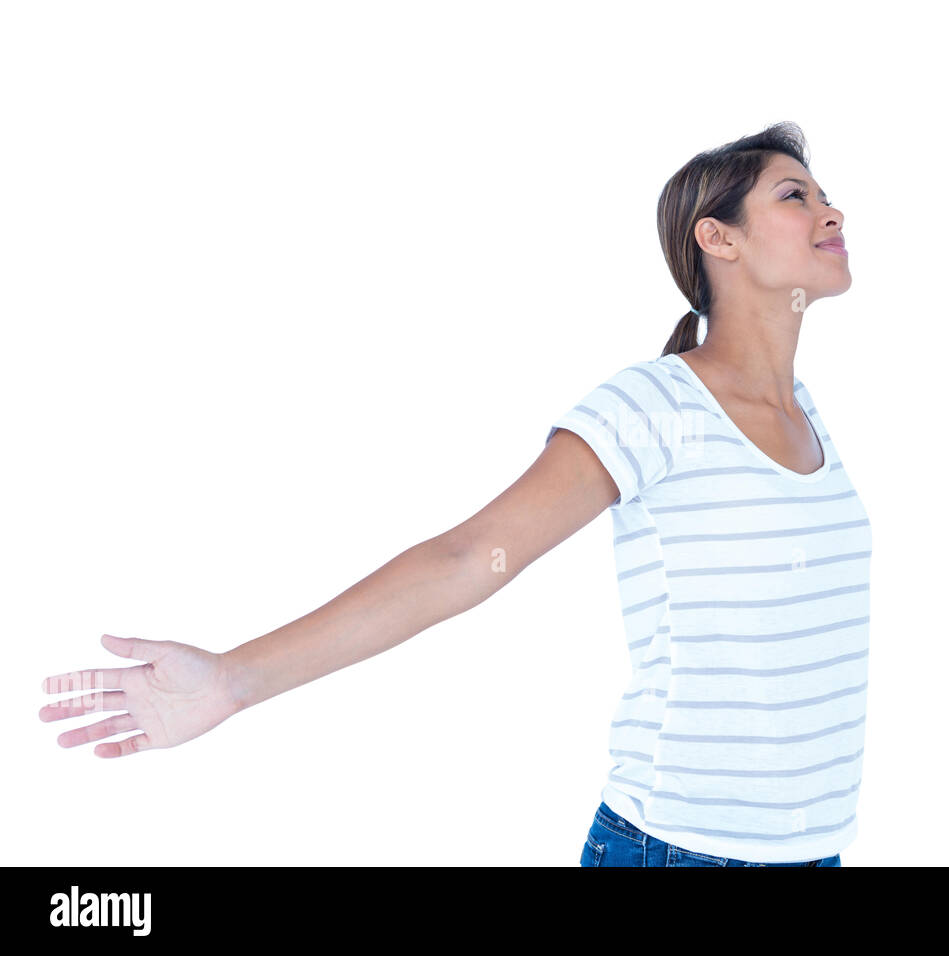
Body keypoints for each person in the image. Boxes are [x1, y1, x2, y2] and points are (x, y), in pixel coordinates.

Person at [38, 121, 869, 868]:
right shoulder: (657, 405)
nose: (831, 214)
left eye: (827, 196)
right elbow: (472, 557)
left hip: (815, 853)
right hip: (680, 852)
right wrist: (234, 680)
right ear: (716, 238)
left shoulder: (809, 417)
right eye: (796, 197)